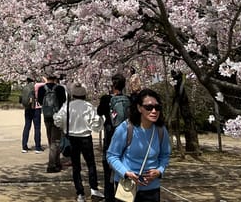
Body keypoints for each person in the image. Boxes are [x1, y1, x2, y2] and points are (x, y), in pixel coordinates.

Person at [107, 88, 171, 201]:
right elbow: (112, 156)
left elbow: (165, 155)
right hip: (127, 186)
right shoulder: (125, 128)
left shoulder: (161, 130)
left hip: (151, 188)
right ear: (139, 108)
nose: (154, 111)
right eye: (149, 107)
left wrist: (159, 171)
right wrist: (126, 173)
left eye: (157, 107)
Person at [55, 84, 104, 202]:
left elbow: (58, 120)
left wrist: (64, 126)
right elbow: (96, 123)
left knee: (76, 166)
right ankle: (94, 189)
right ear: (84, 95)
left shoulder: (67, 106)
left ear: (73, 95)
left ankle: (80, 193)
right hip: (86, 137)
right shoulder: (88, 106)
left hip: (72, 138)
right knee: (91, 164)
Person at [97, 73, 130, 202]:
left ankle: (109, 196)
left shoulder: (106, 99)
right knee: (123, 166)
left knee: (108, 167)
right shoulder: (129, 100)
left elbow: (99, 112)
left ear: (112, 84)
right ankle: (123, 195)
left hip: (110, 137)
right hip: (127, 137)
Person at [38, 74, 66, 172]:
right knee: (56, 140)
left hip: (46, 116)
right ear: (55, 78)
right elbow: (63, 101)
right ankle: (52, 165)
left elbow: (40, 101)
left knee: (51, 139)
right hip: (57, 116)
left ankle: (57, 162)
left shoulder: (42, 88)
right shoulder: (60, 89)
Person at [20, 76, 42, 152]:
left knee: (27, 126)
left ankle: (24, 146)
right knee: (37, 128)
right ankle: (38, 147)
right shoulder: (37, 85)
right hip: (36, 108)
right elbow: (47, 83)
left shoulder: (25, 87)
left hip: (27, 108)